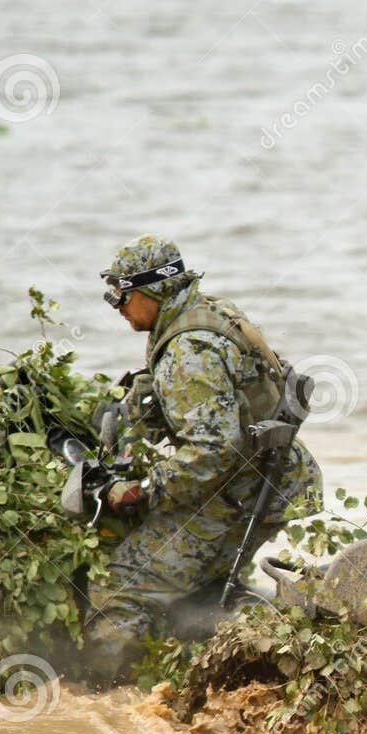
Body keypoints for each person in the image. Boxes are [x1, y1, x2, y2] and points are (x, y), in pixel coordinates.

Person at [82, 235, 323, 685]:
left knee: (121, 585)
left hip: (240, 492)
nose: (117, 306)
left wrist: (142, 490)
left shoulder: (188, 350)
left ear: (152, 290)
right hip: (263, 479)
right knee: (183, 572)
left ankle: (109, 704)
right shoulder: (210, 312)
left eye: (122, 294)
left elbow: (213, 450)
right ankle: (214, 662)